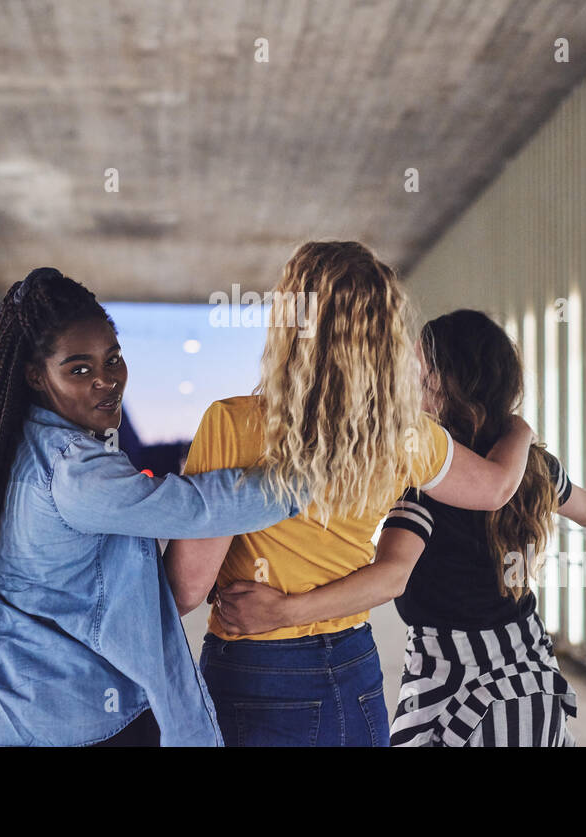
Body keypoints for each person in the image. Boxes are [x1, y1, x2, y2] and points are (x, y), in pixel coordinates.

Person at [0, 267, 305, 746]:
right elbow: (196, 508)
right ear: (36, 375)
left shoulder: (13, 447)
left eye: (113, 360)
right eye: (80, 369)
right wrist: (312, 478)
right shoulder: (73, 471)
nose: (106, 381)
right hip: (74, 726)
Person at [216, 308, 586, 746]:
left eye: (420, 368)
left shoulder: (430, 479)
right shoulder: (534, 467)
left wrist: (284, 611)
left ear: (444, 383)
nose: (409, 377)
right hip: (521, 666)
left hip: (457, 675)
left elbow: (392, 575)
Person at [164, 243, 535, 747]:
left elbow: (185, 590)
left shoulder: (233, 425)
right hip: (354, 664)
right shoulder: (407, 437)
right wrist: (520, 426)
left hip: (258, 669)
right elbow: (495, 488)